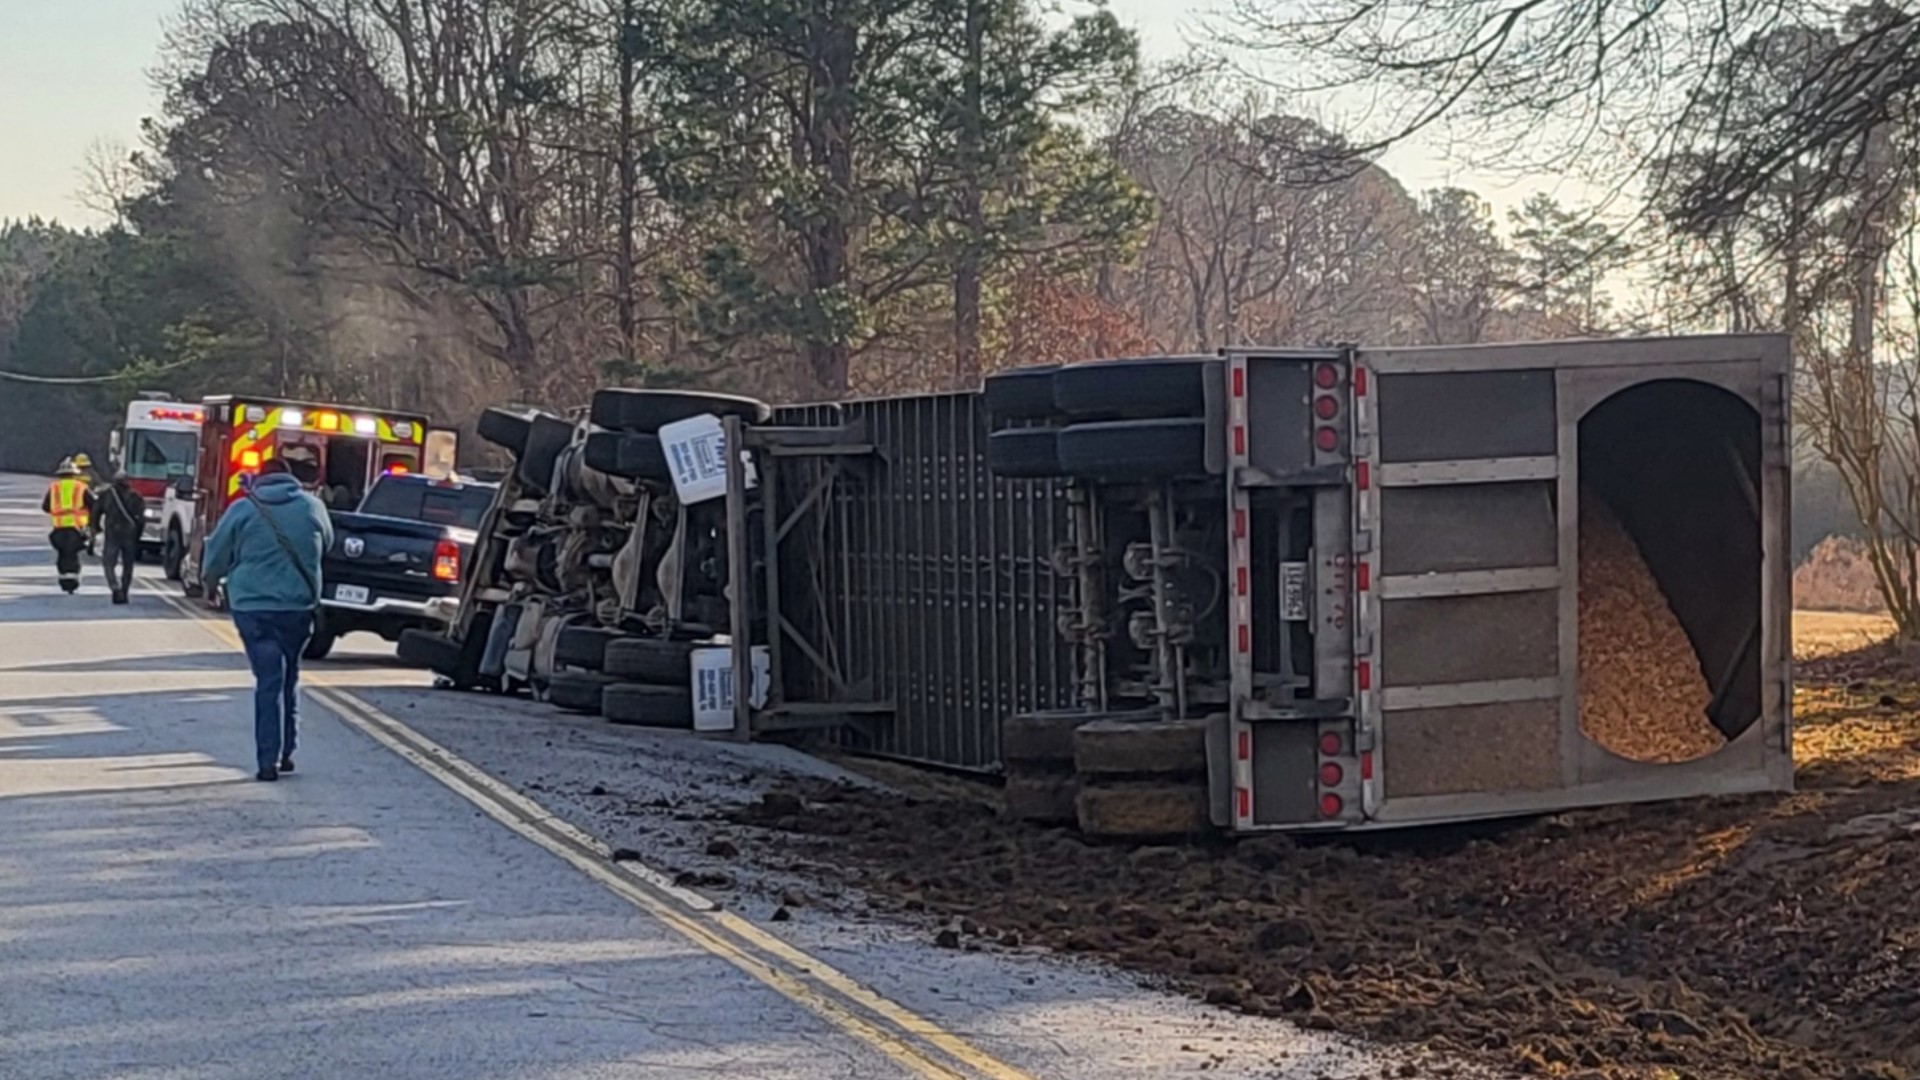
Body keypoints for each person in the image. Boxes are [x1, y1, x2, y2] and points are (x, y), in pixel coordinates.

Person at [202, 457, 334, 782]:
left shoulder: (243, 509)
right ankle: (287, 750)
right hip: (297, 606)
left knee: (268, 679)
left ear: (261, 479)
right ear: (291, 479)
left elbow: (216, 554)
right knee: (289, 675)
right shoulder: (312, 507)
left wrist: (210, 582)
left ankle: (267, 760)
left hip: (253, 608)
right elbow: (327, 545)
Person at [42, 461, 94, 594]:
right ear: (75, 474)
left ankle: (64, 581)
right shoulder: (81, 487)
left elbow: (46, 507)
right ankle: (72, 583)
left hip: (58, 528)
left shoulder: (54, 488)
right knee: (73, 555)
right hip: (76, 528)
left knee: (63, 554)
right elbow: (93, 504)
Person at [95, 472, 147, 605]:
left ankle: (114, 587)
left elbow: (95, 512)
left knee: (108, 563)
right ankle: (125, 590)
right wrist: (138, 536)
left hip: (112, 534)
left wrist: (96, 528)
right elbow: (141, 519)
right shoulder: (136, 496)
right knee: (128, 565)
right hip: (129, 535)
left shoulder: (106, 495)